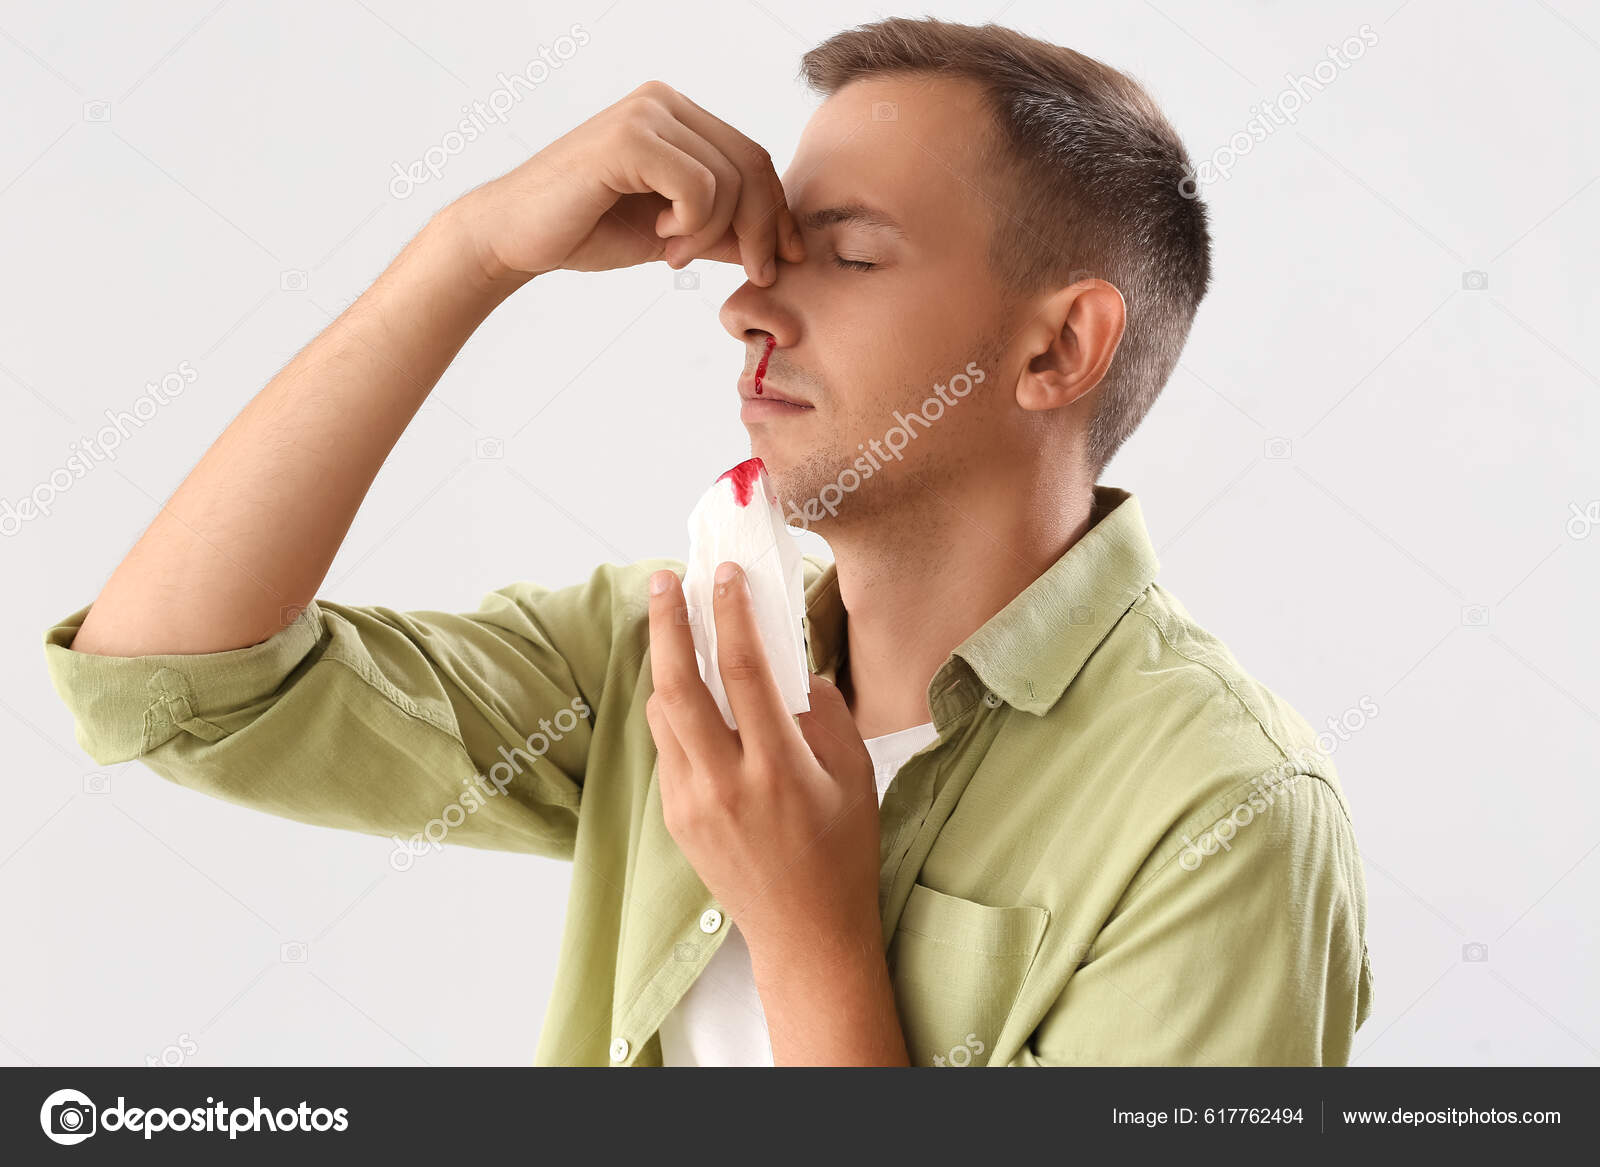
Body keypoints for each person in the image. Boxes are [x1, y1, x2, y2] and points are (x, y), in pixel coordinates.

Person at [44, 16, 1372, 1066]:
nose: (746, 305)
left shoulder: (1225, 817)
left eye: (845, 256)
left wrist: (812, 937)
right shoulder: (672, 662)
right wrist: (472, 252)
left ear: (1057, 348)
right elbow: (166, 685)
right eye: (769, 252)